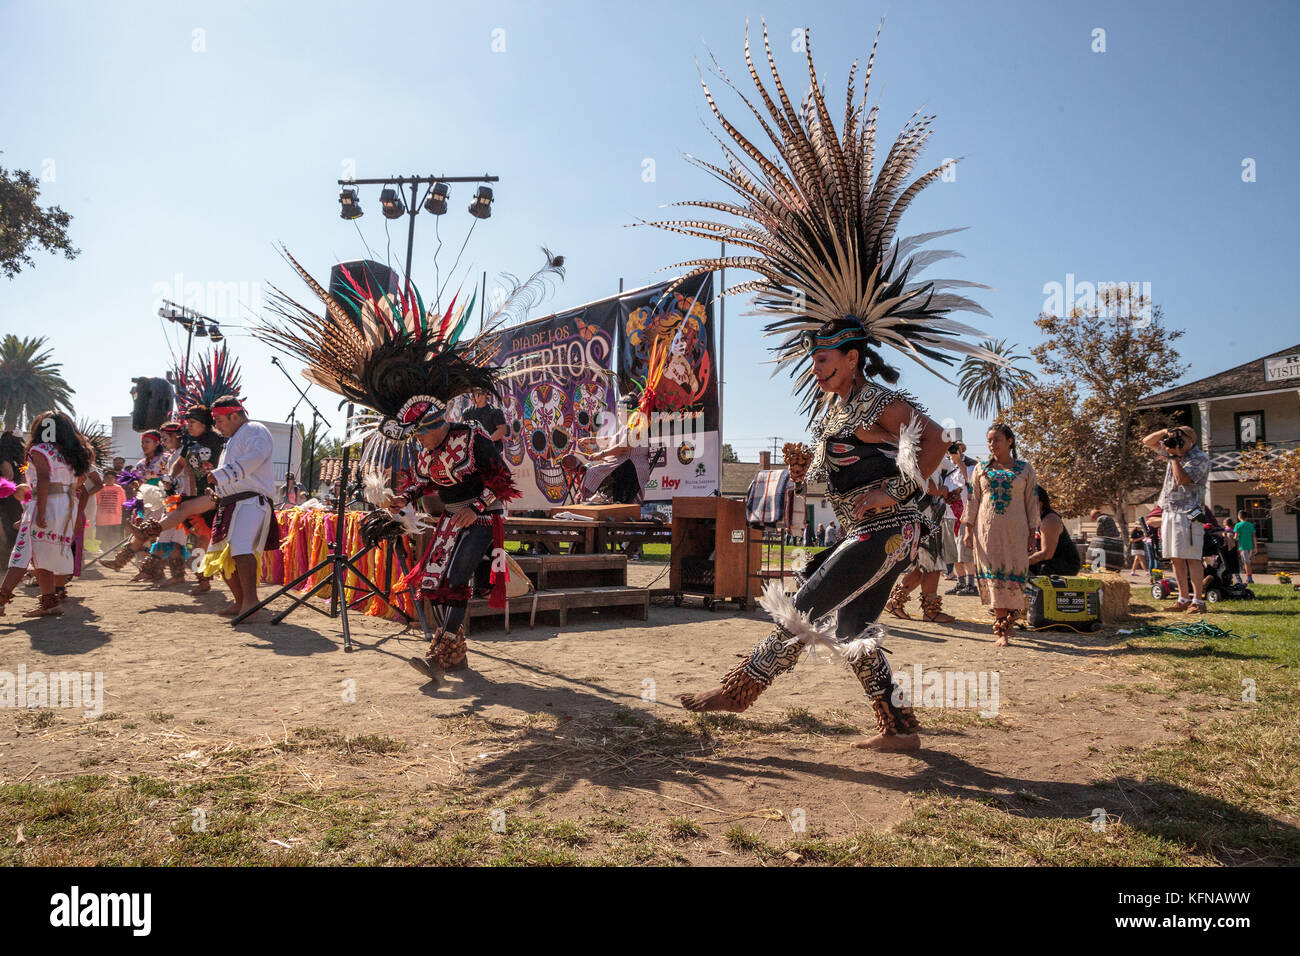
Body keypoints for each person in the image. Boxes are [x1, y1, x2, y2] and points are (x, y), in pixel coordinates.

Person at [0, 411, 92, 617]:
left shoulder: (39, 449)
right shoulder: (71, 454)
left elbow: (43, 480)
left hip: (47, 506)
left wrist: (40, 512)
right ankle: (49, 602)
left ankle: (2, 598)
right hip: (66, 507)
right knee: (41, 555)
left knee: (23, 552)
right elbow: (81, 482)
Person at [961, 424, 1039, 646]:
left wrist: (1032, 534)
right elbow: (973, 500)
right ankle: (1001, 630)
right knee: (994, 576)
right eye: (989, 440)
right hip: (987, 532)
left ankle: (1010, 621)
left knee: (1013, 575)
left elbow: (1032, 503)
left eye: (997, 440)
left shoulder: (1025, 469)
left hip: (1017, 531)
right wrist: (968, 530)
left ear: (1010, 441)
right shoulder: (981, 468)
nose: (992, 445)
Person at [1142, 424, 1211, 613]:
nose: (1176, 443)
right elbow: (1146, 442)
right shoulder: (1172, 449)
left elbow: (1182, 479)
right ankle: (1183, 599)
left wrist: (1173, 456)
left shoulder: (1200, 458)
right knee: (1175, 557)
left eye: (1181, 440)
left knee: (1191, 557)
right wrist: (1166, 433)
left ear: (1191, 440)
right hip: (1170, 510)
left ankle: (1198, 601)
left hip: (1188, 512)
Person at [884, 467, 958, 623]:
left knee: (922, 566)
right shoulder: (923, 450)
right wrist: (943, 490)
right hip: (925, 516)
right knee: (932, 563)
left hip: (928, 514)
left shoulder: (930, 453)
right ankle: (931, 611)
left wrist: (943, 493)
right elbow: (921, 480)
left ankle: (894, 602)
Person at [942, 444, 978, 596]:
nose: (952, 452)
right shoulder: (947, 470)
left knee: (965, 553)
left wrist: (959, 462)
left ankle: (971, 585)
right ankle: (960, 582)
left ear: (962, 449)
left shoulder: (970, 467)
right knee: (953, 554)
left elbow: (970, 481)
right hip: (948, 516)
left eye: (955, 449)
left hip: (963, 517)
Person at [1028, 485, 1081, 576]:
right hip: (1049, 561)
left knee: (1039, 568)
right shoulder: (1037, 520)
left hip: (1065, 565)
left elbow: (1047, 554)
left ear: (1039, 503)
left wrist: (1022, 563)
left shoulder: (1050, 520)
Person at [0, 430, 25, 567]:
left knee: (7, 528)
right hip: (15, 497)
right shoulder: (18, 456)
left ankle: (7, 562)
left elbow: (9, 475)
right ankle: (13, 562)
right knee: (13, 527)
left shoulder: (4, 455)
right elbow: (21, 478)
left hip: (7, 498)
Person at [460, 387, 508, 452]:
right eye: (471, 393)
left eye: (475, 394)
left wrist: (487, 441)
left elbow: (502, 429)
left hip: (493, 452)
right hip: (474, 454)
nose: (471, 396)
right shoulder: (467, 412)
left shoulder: (495, 411)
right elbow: (461, 430)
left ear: (484, 394)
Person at [1233, 510, 1257, 584]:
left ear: (1239, 517)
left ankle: (1249, 578)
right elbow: (1254, 537)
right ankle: (1249, 577)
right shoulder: (1250, 525)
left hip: (1242, 546)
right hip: (1250, 546)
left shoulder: (1238, 525)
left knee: (1246, 562)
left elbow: (1236, 537)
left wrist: (1230, 540)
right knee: (1248, 562)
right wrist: (1255, 547)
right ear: (1246, 517)